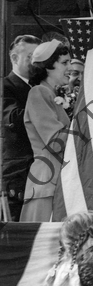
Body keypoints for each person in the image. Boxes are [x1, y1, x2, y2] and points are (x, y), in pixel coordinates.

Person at [20, 41, 71, 222]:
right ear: (48, 66)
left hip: (56, 182)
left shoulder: (51, 94)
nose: (70, 67)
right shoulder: (38, 92)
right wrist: (82, 123)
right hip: (47, 182)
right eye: (64, 63)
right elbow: (55, 143)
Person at [3, 34, 40, 221]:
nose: (36, 62)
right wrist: (47, 106)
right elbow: (13, 118)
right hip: (18, 175)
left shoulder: (40, 87)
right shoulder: (5, 86)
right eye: (30, 57)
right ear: (14, 58)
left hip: (41, 172)